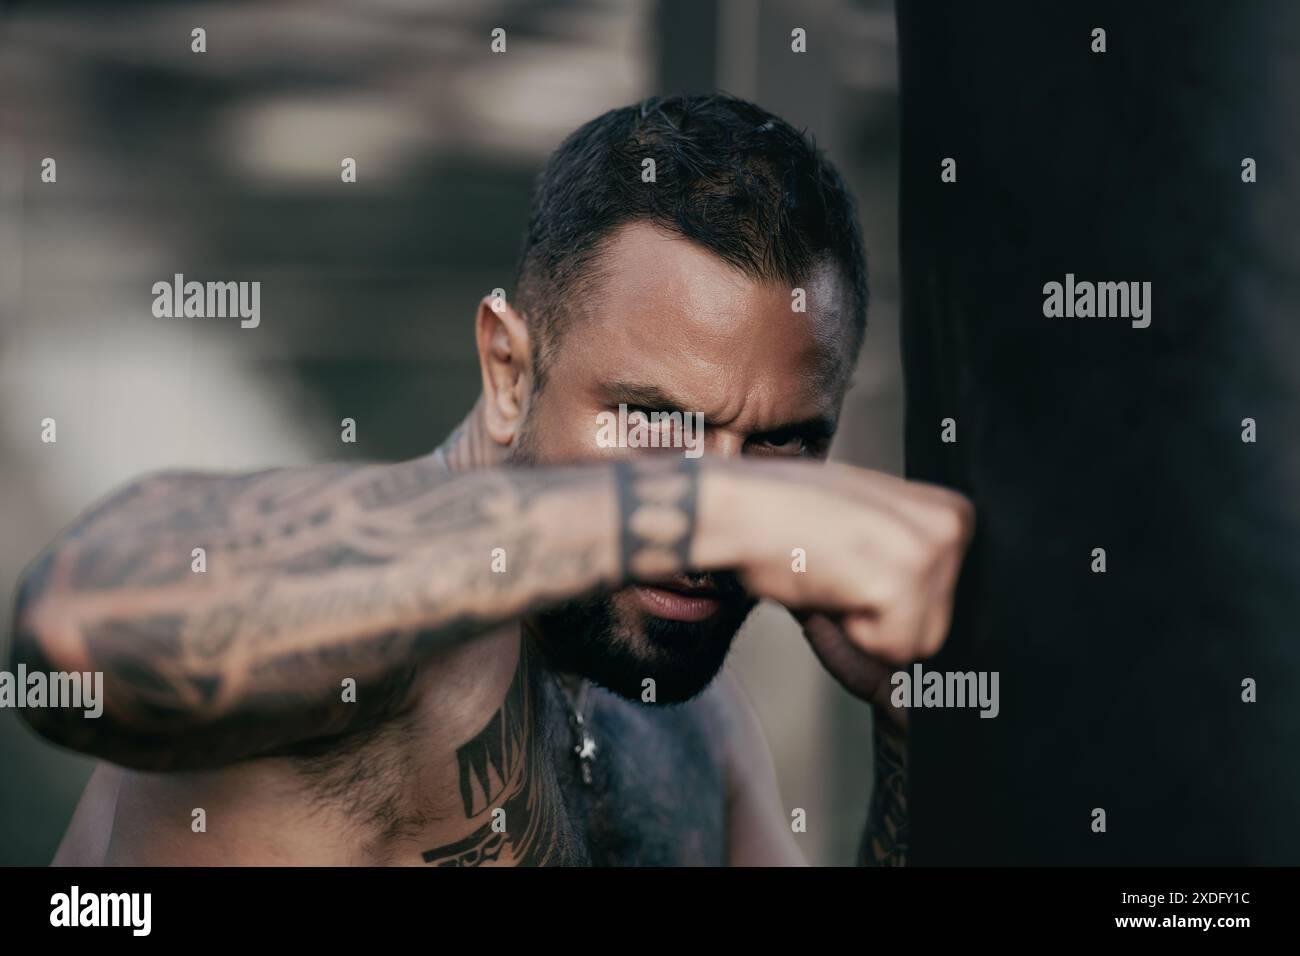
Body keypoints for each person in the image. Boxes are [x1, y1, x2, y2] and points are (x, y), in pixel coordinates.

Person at [10, 94, 972, 866]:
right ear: (510, 370)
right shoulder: (371, 648)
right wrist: (706, 509)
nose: (730, 514)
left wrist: (908, 734)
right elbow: (72, 637)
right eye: (653, 418)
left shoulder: (695, 728)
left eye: (783, 443)